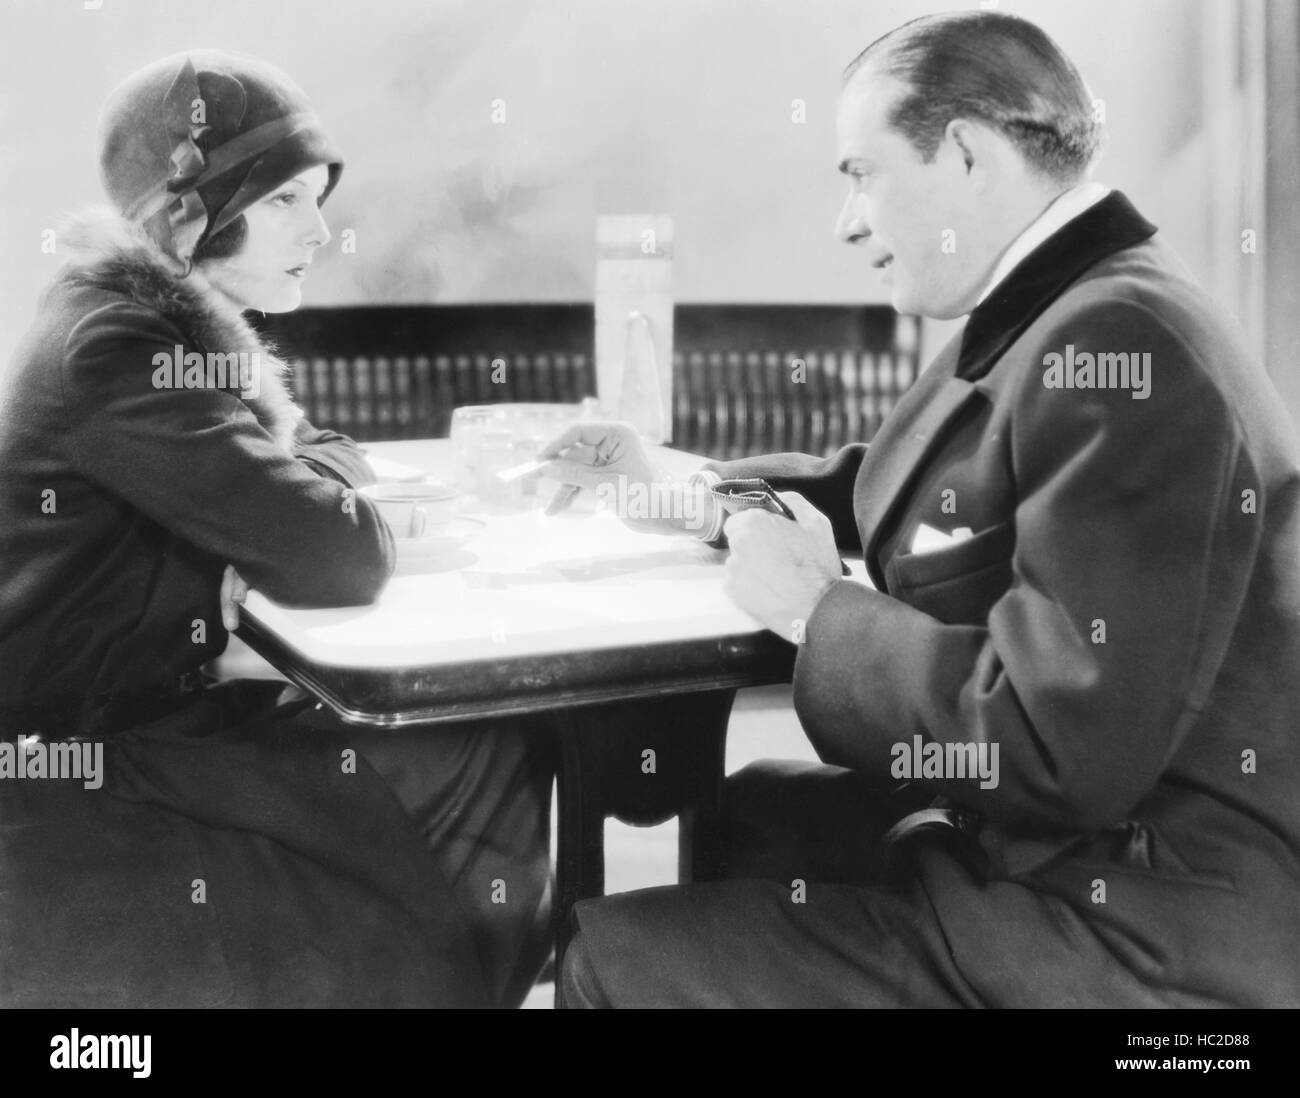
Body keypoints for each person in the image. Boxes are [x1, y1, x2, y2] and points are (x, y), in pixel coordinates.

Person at [540, 10, 1300, 1007]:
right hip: (1078, 857)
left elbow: (1050, 746)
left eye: (861, 172)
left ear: (967, 154)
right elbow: (909, 495)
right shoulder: (1072, 303)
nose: (846, 220)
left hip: (1142, 934)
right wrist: (683, 489)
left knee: (612, 957)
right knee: (740, 816)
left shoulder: (1118, 347)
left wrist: (820, 612)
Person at [0, 50, 553, 1008]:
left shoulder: (139, 323)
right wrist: (325, 495)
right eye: (290, 200)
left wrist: (310, 481)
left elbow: (302, 465)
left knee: (486, 736)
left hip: (147, 715)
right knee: (486, 741)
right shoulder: (118, 345)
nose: (323, 229)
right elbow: (335, 550)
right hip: (75, 759)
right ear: (197, 210)